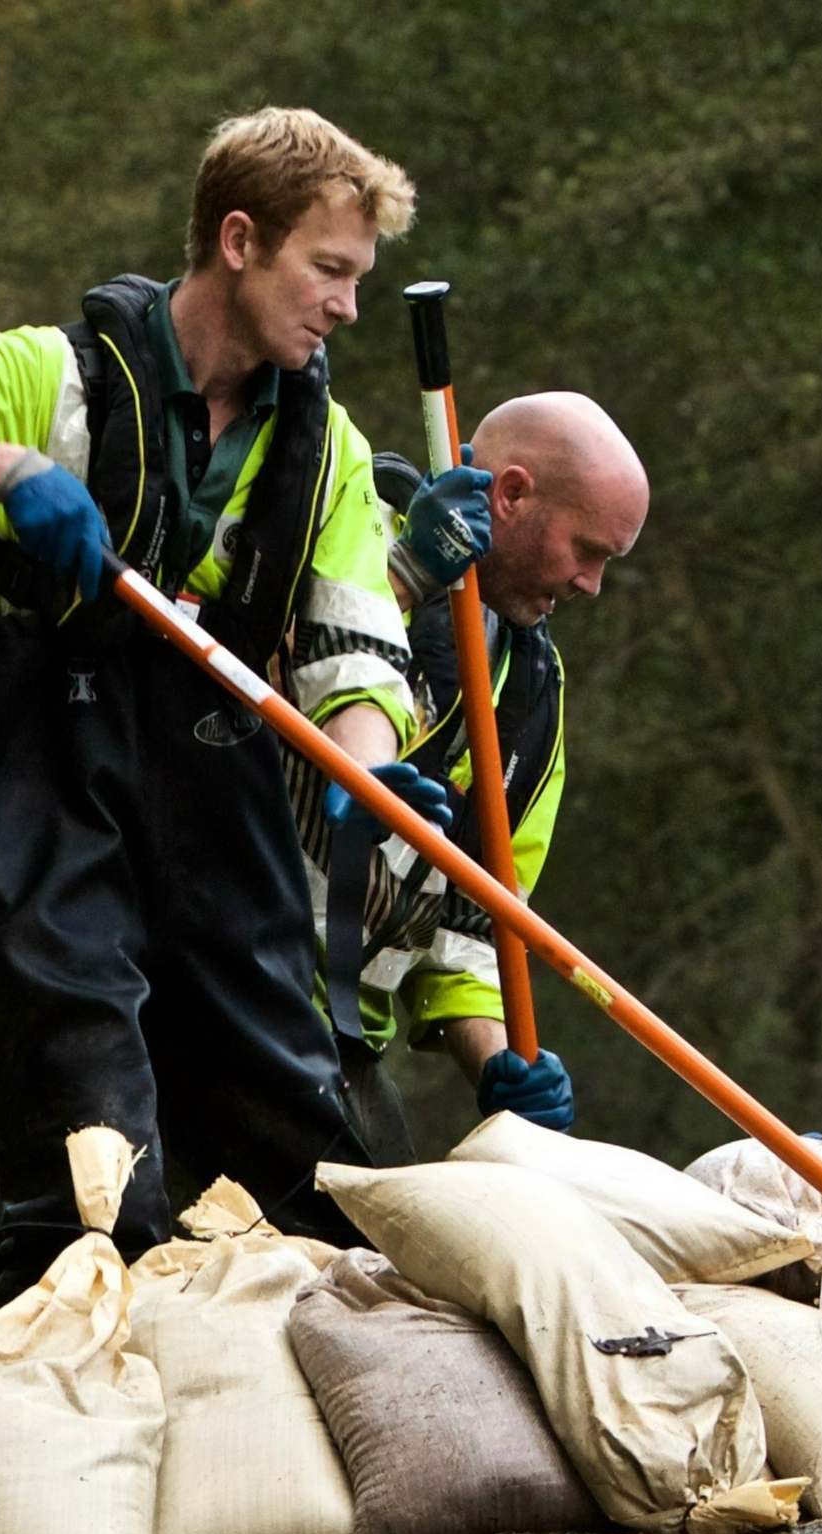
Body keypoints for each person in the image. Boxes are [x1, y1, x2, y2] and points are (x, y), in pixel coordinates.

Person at [0, 108, 428, 1284]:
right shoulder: (47, 375)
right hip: (32, 779)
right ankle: (84, 1365)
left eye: (358, 280)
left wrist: (367, 769)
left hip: (213, 791)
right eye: (328, 270)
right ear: (239, 240)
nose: (346, 307)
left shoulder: (324, 450)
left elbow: (356, 660)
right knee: (86, 1110)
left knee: (290, 1101)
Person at [330, 391, 648, 1159]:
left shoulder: (534, 697)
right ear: (510, 494)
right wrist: (408, 579)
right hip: (201, 987)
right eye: (587, 549)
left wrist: (502, 1064)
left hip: (342, 1044)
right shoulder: (345, 537)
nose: (591, 584)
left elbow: (469, 935)